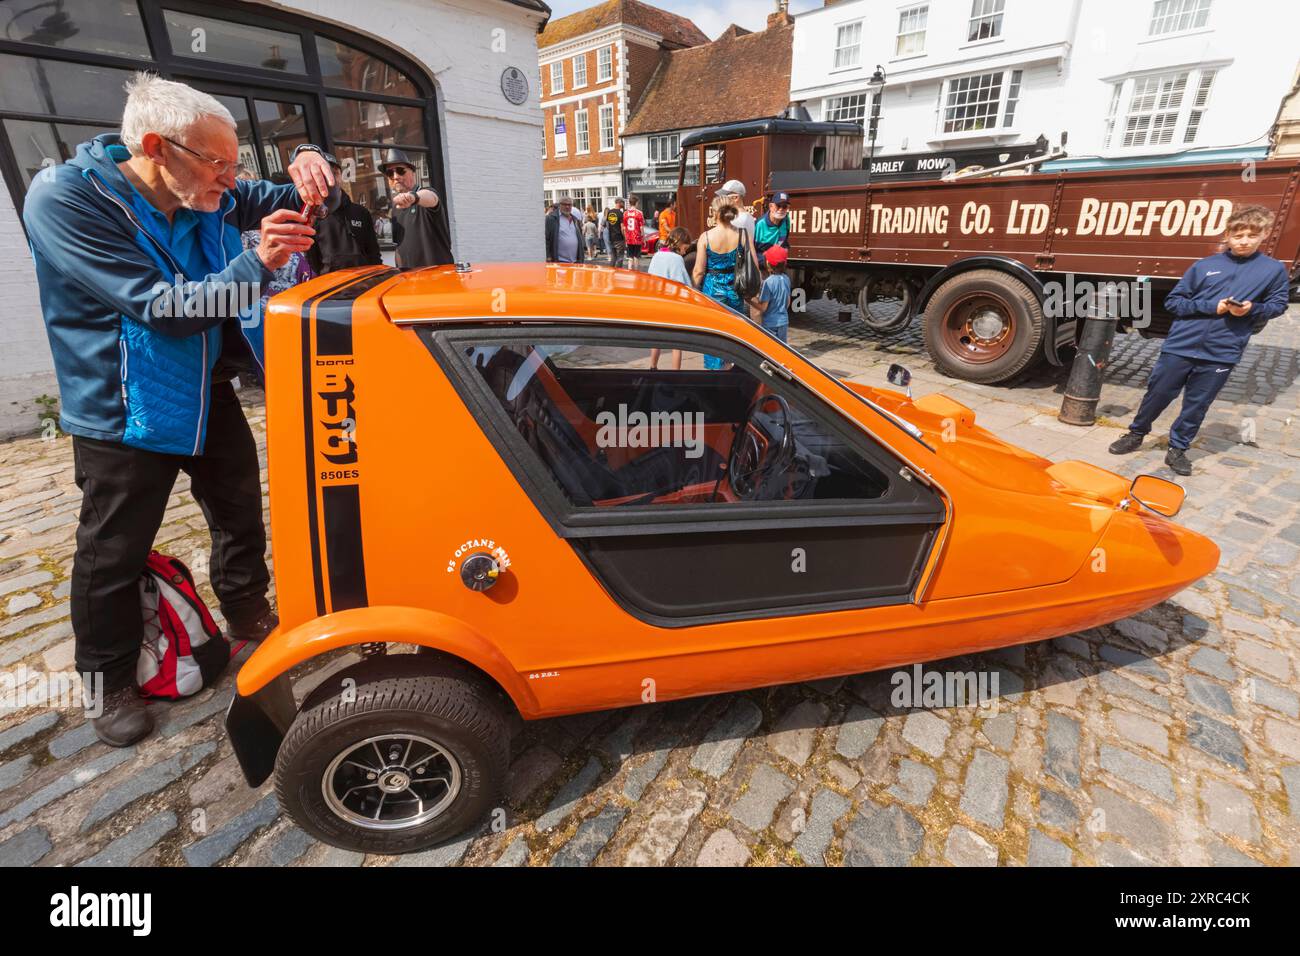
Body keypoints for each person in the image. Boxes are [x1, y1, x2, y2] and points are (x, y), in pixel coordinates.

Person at [22, 73, 335, 746]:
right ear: (160, 148)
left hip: (205, 384)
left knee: (238, 510)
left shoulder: (205, 187)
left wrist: (314, 159)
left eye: (234, 162)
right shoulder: (66, 200)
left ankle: (250, 621)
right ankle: (106, 683)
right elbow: (162, 310)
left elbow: (289, 192)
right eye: (219, 163)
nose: (232, 178)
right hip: (123, 401)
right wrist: (256, 263)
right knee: (113, 548)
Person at [1108, 204, 1290, 475]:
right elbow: (1174, 302)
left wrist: (1252, 309)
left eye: (1252, 235)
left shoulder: (1272, 270)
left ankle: (1178, 448)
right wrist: (1210, 307)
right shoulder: (1205, 266)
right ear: (1227, 235)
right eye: (1238, 235)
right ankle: (1136, 433)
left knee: (1197, 403)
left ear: (1263, 235)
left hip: (1222, 351)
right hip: (1180, 346)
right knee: (1157, 394)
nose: (1244, 241)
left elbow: (1279, 304)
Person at [693, 193, 762, 370]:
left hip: (712, 291)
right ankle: (730, 367)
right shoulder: (742, 234)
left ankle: (714, 372)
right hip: (734, 290)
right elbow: (753, 263)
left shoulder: (706, 237)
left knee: (713, 335)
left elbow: (699, 271)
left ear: (715, 213)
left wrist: (693, 290)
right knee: (732, 333)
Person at [306, 153, 382, 275]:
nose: (332, 179)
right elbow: (311, 260)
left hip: (365, 283)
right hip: (332, 287)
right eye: (326, 173)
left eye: (335, 173)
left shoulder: (361, 212)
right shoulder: (314, 217)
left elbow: (374, 253)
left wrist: (378, 278)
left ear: (340, 176)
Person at [380, 147, 451, 270]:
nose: (395, 176)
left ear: (413, 172)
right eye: (390, 173)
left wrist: (414, 197)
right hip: (410, 279)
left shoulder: (424, 194)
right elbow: (399, 246)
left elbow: (432, 198)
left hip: (437, 277)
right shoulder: (396, 208)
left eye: (400, 170)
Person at [648, 226, 693, 370]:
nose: (686, 250)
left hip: (655, 303)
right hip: (672, 305)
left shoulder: (657, 254)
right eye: (686, 247)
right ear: (680, 243)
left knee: (656, 339)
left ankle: (653, 366)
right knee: (677, 344)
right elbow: (684, 283)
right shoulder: (677, 259)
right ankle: (676, 373)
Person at [754, 245, 793, 343]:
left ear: (768, 263)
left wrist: (749, 300)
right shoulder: (786, 279)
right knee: (782, 349)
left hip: (770, 324)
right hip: (784, 322)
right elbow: (788, 302)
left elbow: (763, 307)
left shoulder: (768, 282)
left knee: (770, 350)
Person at [715, 179, 756, 249]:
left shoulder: (736, 219)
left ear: (735, 198)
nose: (721, 199)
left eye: (724, 197)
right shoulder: (748, 217)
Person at [545, 195, 586, 264]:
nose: (567, 207)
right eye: (564, 204)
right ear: (559, 205)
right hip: (560, 261)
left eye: (569, 205)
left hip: (575, 261)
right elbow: (546, 239)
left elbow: (580, 238)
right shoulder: (552, 219)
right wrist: (548, 256)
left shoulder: (575, 220)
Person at [755, 191, 791, 256]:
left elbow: (785, 242)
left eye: (784, 206)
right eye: (778, 205)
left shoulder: (786, 220)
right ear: (771, 206)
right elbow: (752, 251)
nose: (781, 209)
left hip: (778, 262)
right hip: (762, 263)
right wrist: (767, 258)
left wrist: (785, 249)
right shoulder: (759, 224)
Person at [624, 195, 645, 269]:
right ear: (636, 203)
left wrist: (625, 238)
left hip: (629, 238)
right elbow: (641, 227)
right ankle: (636, 272)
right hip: (637, 237)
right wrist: (643, 238)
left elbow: (624, 227)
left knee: (630, 257)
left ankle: (630, 271)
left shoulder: (625, 213)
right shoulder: (639, 213)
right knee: (636, 257)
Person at [604, 197, 626, 268]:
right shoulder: (620, 213)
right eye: (623, 203)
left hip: (611, 237)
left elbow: (607, 224)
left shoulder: (610, 212)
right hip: (619, 238)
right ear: (619, 203)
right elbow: (622, 227)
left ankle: (611, 271)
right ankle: (618, 272)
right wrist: (625, 237)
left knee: (613, 256)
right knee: (620, 257)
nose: (624, 204)